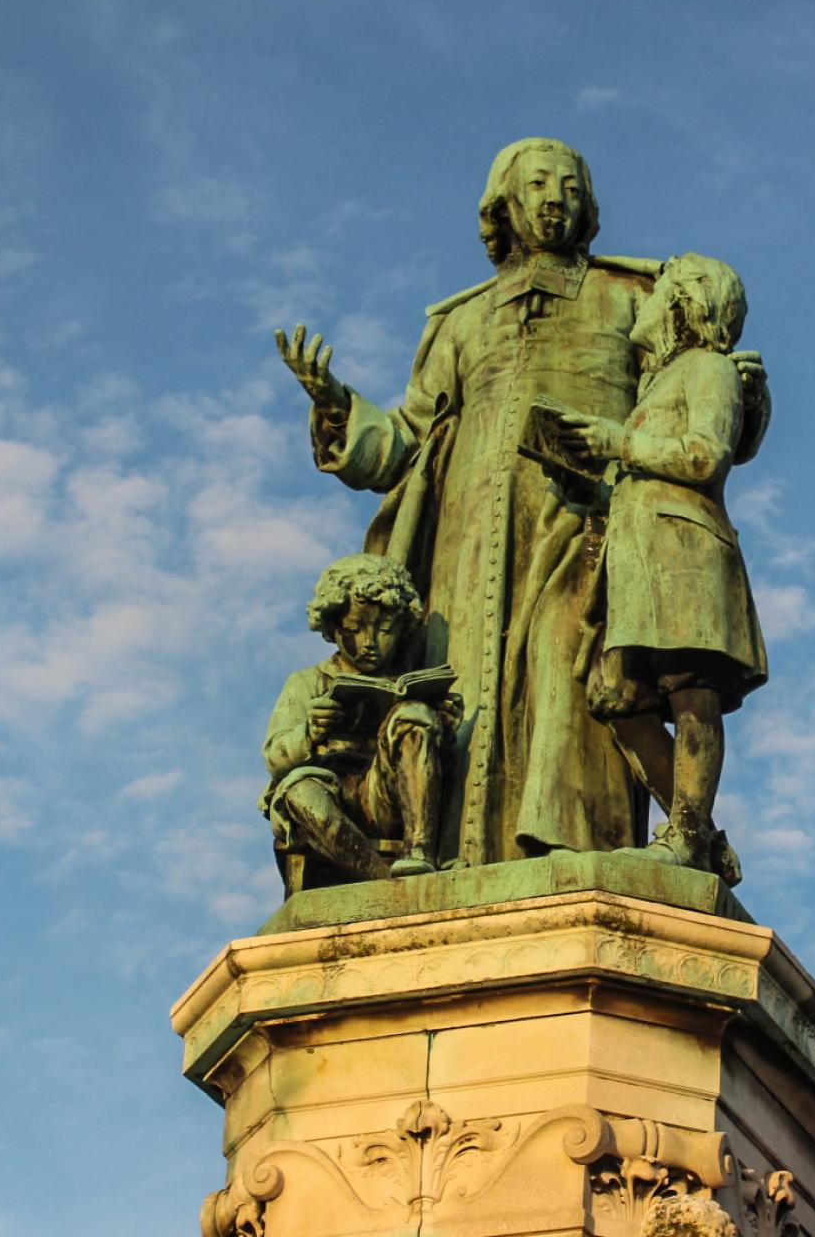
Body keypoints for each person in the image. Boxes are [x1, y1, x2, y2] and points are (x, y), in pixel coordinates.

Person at [275, 138, 768, 867]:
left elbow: (698, 404)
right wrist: (337, 407)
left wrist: (744, 396)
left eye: (571, 188)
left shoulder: (633, 294)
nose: (554, 200)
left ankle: (584, 850)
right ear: (502, 202)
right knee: (460, 697)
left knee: (570, 681)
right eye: (537, 185)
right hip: (467, 545)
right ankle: (443, 858)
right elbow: (405, 441)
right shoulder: (458, 323)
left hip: (588, 528)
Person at [551, 254, 768, 883]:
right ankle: (701, 836)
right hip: (643, 561)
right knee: (616, 696)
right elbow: (643, 474)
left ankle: (688, 836)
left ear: (680, 304)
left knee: (690, 688)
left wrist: (617, 442)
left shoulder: (709, 369)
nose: (640, 303)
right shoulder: (661, 381)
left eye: (654, 293)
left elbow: (705, 458)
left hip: (688, 557)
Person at [259, 554, 457, 893]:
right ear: (333, 627)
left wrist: (444, 722)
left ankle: (419, 849)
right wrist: (309, 731)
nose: (369, 643)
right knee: (298, 787)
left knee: (414, 714)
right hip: (332, 802)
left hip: (386, 797)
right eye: (354, 629)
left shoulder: (408, 680)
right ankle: (378, 878)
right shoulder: (306, 681)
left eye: (384, 630)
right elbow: (275, 758)